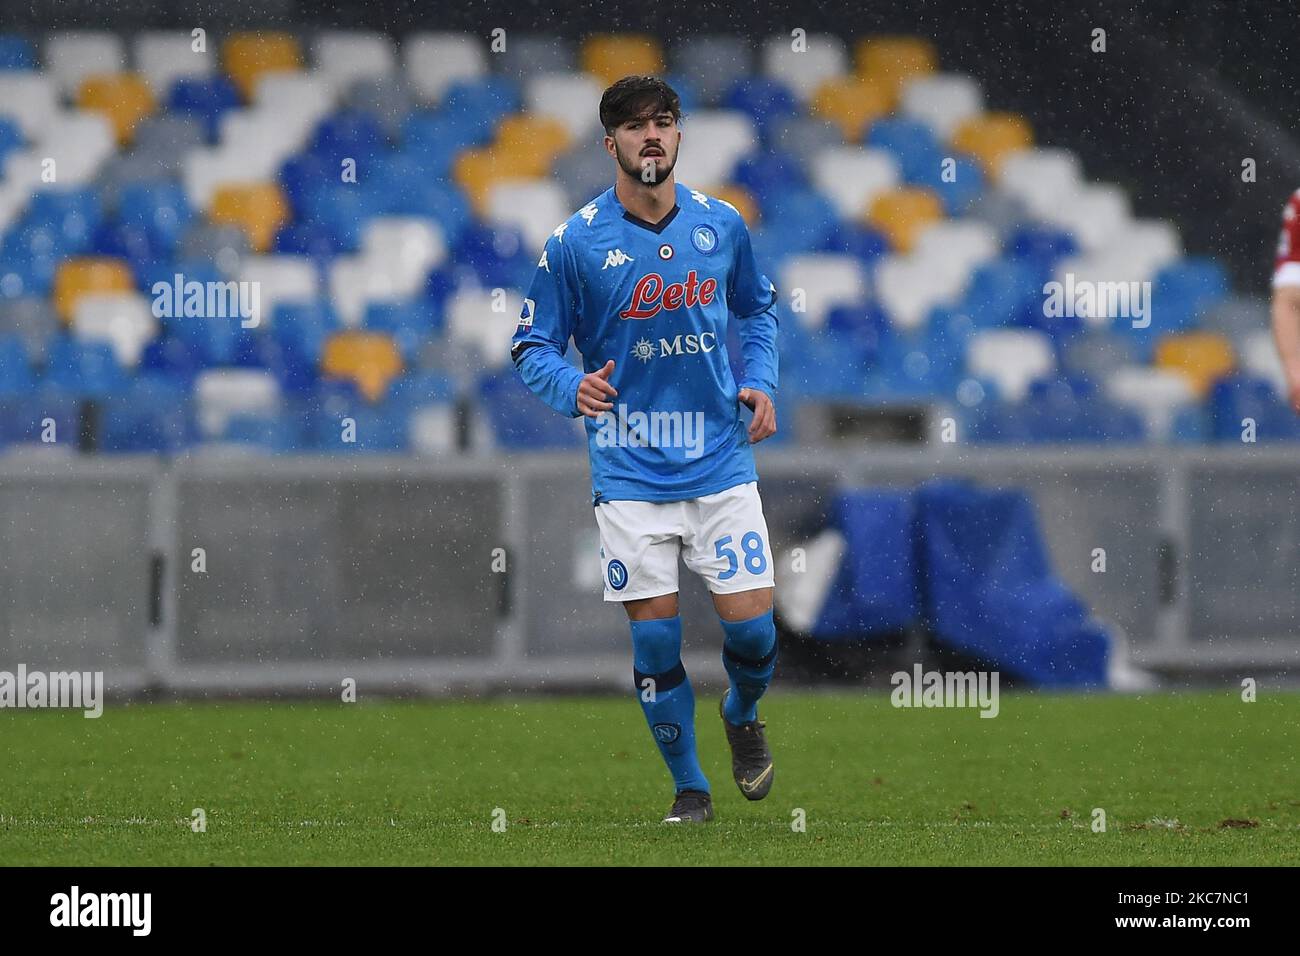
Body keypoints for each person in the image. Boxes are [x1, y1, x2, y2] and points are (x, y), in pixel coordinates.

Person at [510, 75, 782, 823]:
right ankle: (690, 790)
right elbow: (531, 342)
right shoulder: (573, 242)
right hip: (629, 467)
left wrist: (759, 381)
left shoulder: (722, 225)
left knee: (754, 631)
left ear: (679, 134)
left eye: (662, 122)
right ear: (611, 145)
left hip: (720, 459)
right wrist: (571, 386)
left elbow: (759, 313)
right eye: (634, 127)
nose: (650, 136)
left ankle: (741, 711)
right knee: (658, 641)